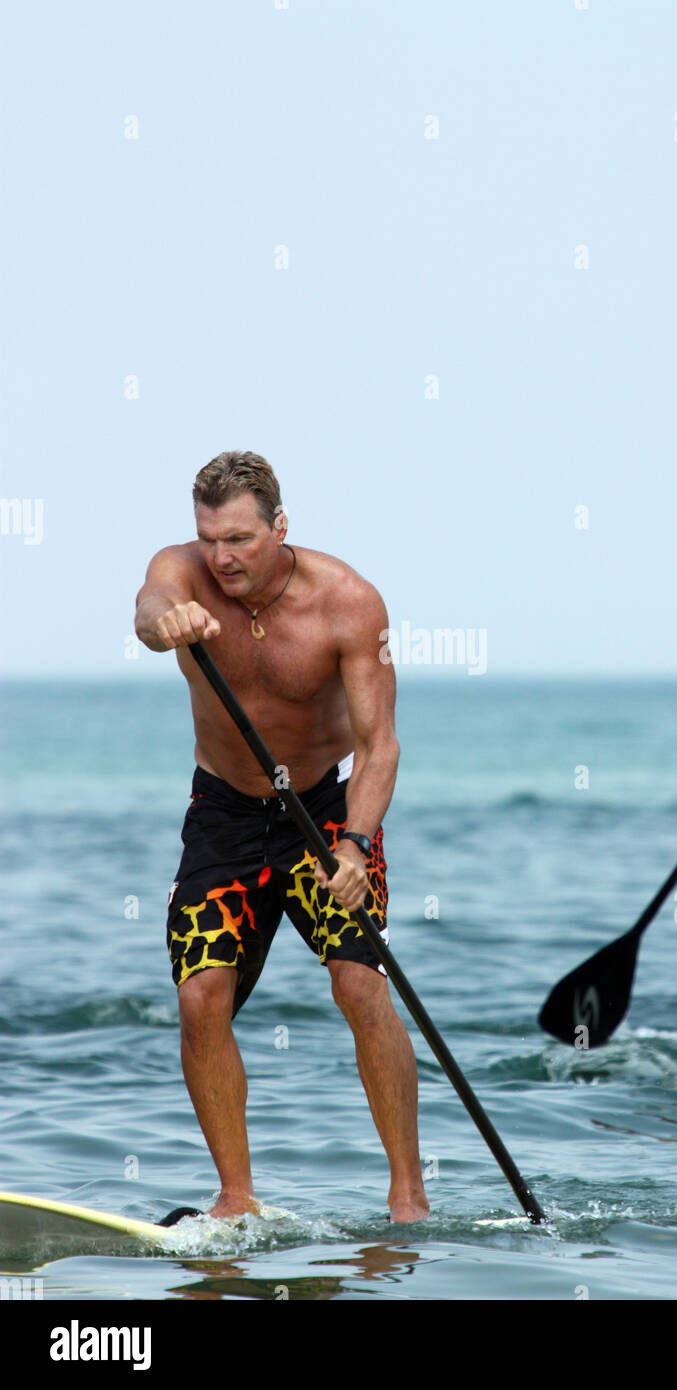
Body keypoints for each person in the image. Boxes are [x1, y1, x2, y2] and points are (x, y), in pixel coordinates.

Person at [134, 450, 429, 1222]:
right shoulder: (183, 572)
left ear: (281, 526)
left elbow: (382, 744)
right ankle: (236, 1199)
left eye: (240, 539)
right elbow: (148, 606)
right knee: (201, 996)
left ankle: (407, 1196)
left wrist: (356, 846)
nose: (222, 558)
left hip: (323, 814)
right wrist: (165, 619)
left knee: (360, 982)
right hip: (224, 814)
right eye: (210, 539)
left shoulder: (349, 602)